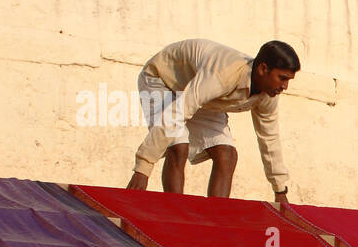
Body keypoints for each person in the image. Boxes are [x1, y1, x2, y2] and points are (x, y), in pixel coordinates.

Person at [125, 39, 298, 204]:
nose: (285, 86)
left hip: (199, 93)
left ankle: (216, 216)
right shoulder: (223, 74)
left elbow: (269, 138)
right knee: (178, 146)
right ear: (263, 69)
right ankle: (174, 210)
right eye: (282, 78)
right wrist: (143, 168)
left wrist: (279, 190)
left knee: (227, 155)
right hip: (162, 80)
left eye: (289, 80)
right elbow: (177, 113)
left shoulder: (268, 94)